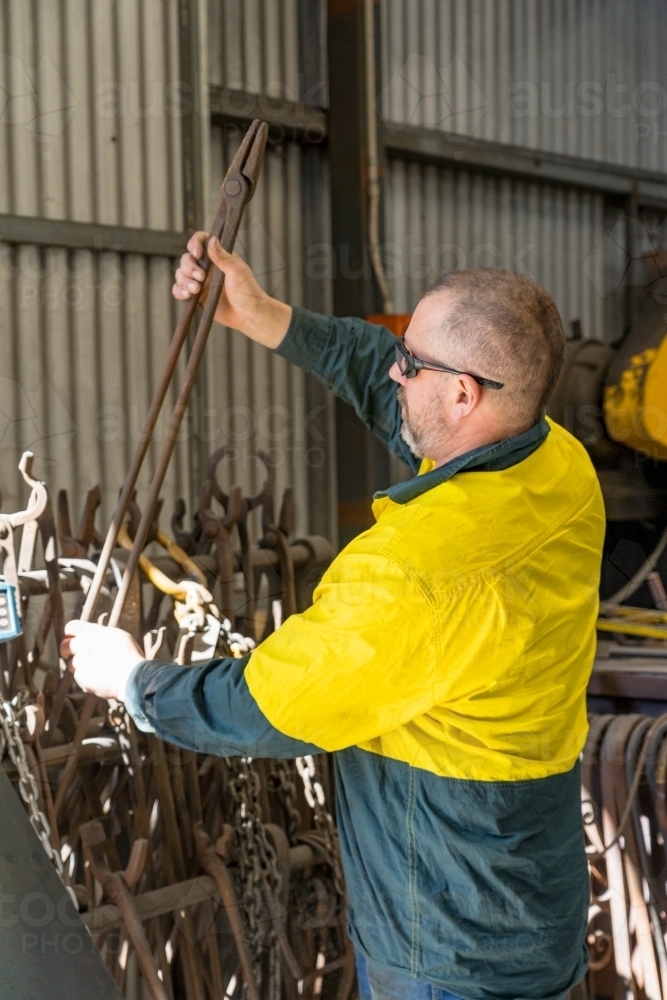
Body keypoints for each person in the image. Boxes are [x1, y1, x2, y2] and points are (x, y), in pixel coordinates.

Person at [63, 234, 605, 1000]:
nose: (393, 368)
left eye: (410, 362)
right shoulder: (553, 464)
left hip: (450, 934)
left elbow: (263, 708)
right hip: (533, 900)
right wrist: (263, 315)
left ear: (463, 395)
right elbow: (391, 395)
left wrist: (132, 680)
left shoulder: (417, 571)